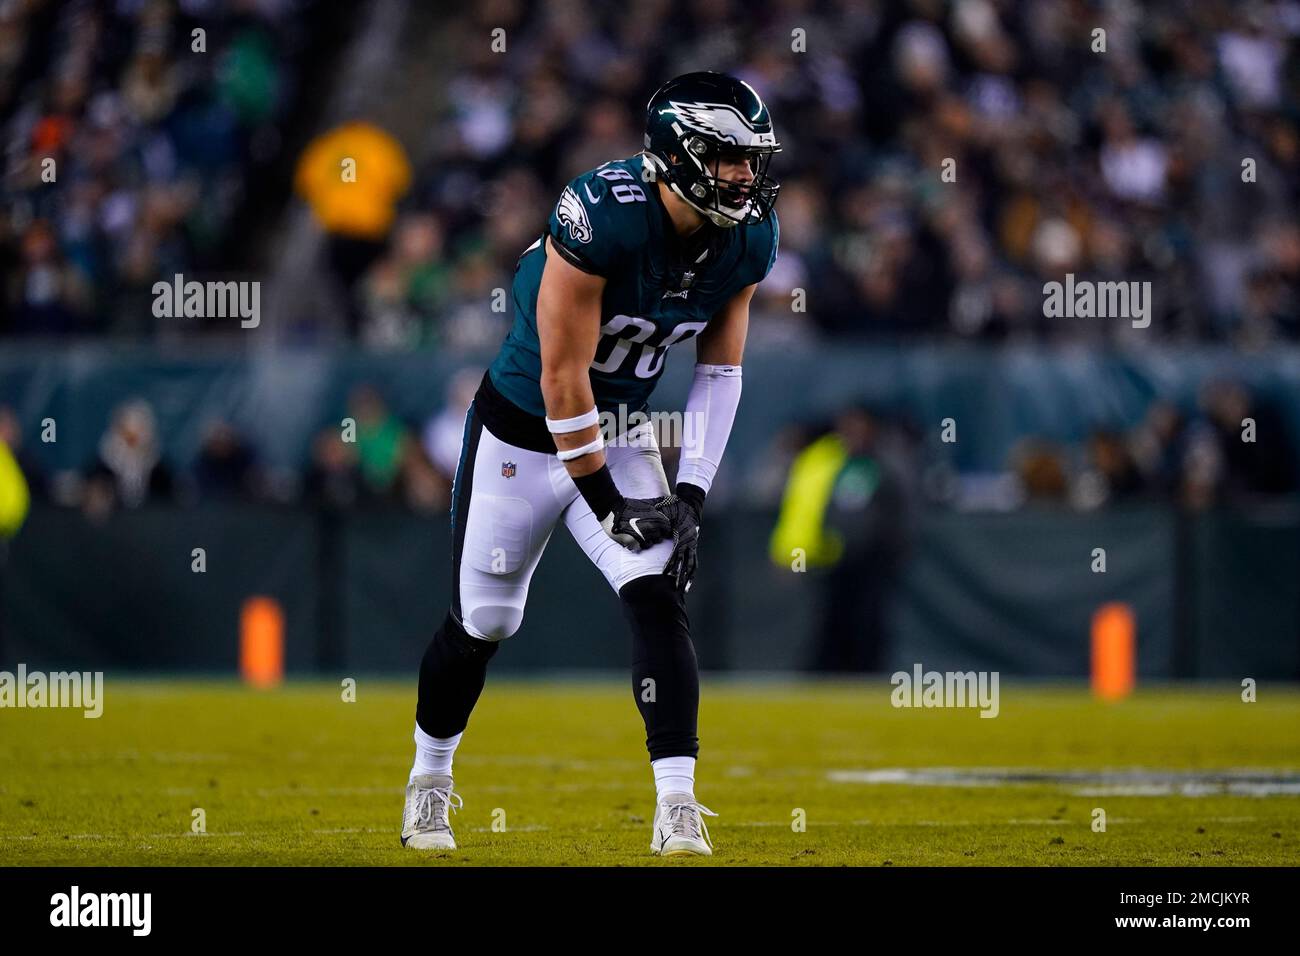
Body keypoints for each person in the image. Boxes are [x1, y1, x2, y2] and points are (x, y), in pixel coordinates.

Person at [400, 72, 781, 857]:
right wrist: (606, 500)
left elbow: (721, 372)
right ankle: (428, 781)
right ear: (678, 155)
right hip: (522, 431)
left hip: (618, 426)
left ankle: (677, 804)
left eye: (753, 159)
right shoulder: (601, 216)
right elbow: (561, 377)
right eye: (728, 157)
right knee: (484, 622)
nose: (746, 176)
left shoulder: (747, 237)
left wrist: (694, 493)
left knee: (657, 592)